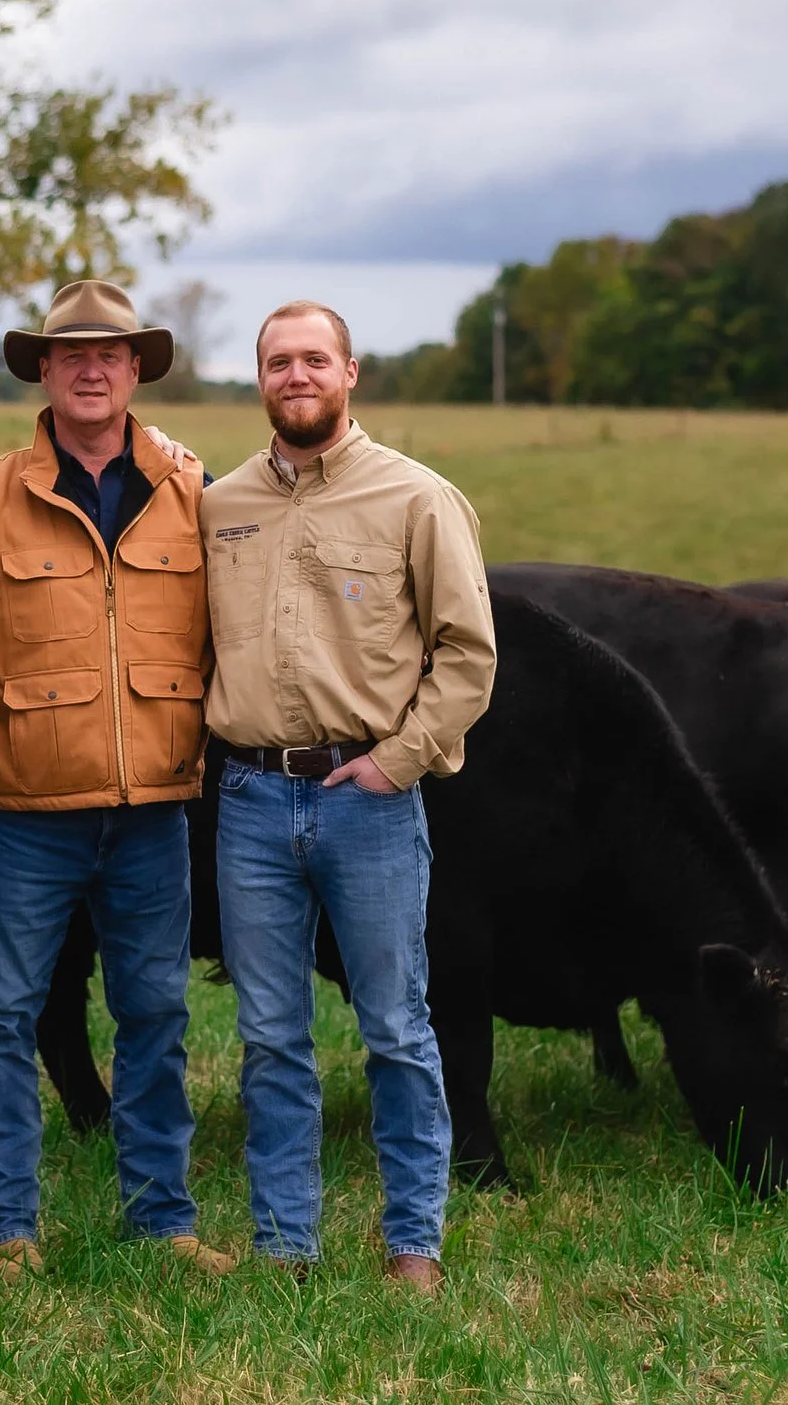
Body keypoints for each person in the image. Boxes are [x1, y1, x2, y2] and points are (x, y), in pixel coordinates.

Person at [200, 299, 497, 1293]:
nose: (296, 375)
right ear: (260, 379)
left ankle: (413, 1243)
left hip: (367, 799)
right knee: (271, 1035)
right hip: (248, 800)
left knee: (396, 1027)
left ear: (349, 372)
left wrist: (396, 760)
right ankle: (286, 1241)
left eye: (313, 359)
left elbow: (467, 656)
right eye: (278, 360)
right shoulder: (220, 503)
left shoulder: (418, 498)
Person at [0, 279, 234, 1280]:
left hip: (156, 810)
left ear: (136, 368)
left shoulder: (190, 487)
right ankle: (4, 1230)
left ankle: (162, 1220)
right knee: (1, 1017)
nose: (89, 368)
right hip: (25, 812)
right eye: (68, 352)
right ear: (40, 367)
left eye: (109, 353)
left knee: (156, 1015)